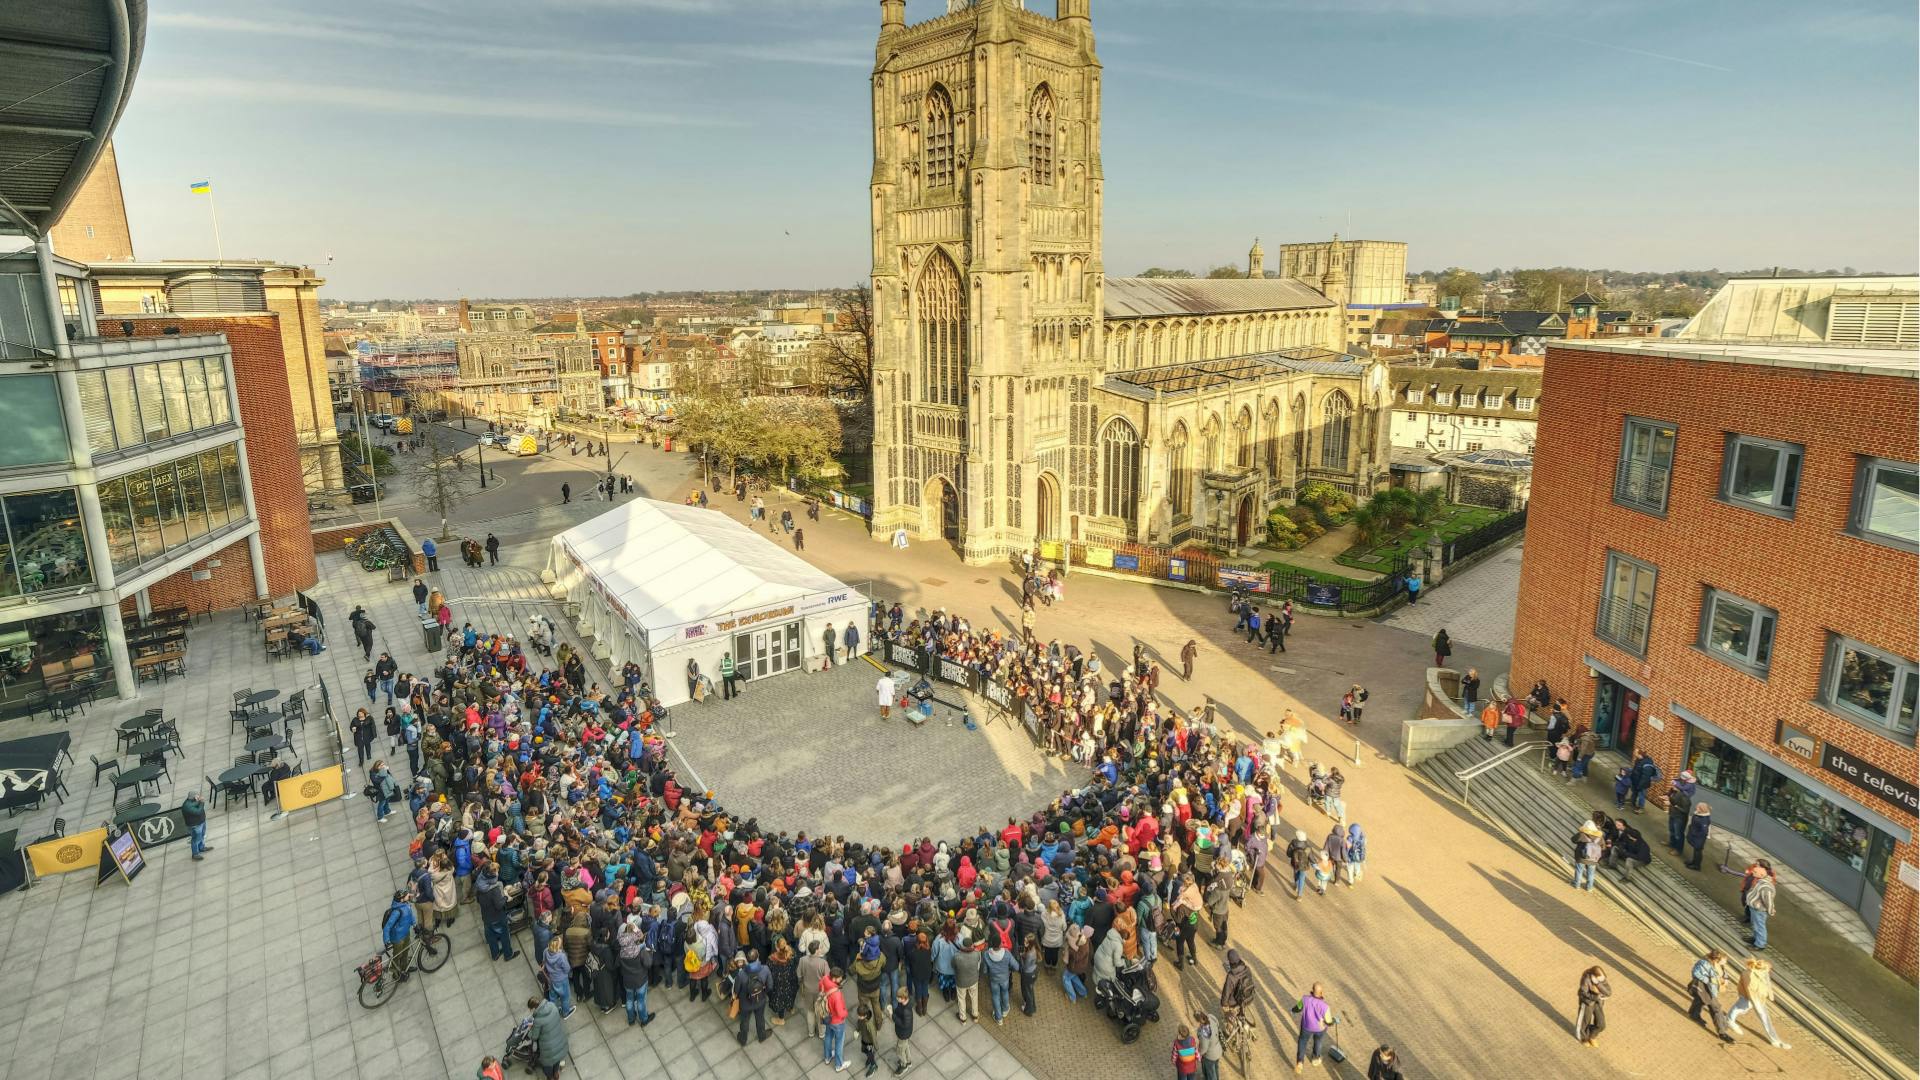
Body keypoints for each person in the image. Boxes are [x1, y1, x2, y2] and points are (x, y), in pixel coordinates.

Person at [1727, 957, 1790, 1049]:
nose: (1769, 972)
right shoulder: (1749, 975)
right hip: (1748, 997)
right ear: (1762, 969)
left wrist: (1770, 995)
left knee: (1765, 1018)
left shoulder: (1763, 974)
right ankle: (1729, 1020)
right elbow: (1750, 991)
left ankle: (1775, 1040)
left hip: (1759, 999)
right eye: (1768, 970)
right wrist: (1756, 1005)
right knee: (1739, 1009)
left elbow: (1767, 983)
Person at [1687, 950, 1737, 1042]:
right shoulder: (1704, 963)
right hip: (1705, 988)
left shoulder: (1720, 965)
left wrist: (1724, 980)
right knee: (1716, 1008)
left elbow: (1723, 975)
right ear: (1717, 959)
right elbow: (1696, 973)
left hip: (1710, 990)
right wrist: (1710, 980)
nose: (1726, 962)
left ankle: (1694, 1014)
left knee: (1700, 1000)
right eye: (1724, 960)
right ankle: (1722, 1032)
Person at [526, 994, 569, 1080]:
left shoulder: (538, 1020)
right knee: (557, 1059)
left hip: (548, 1048)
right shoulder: (552, 1006)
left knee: (547, 1065)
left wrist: (530, 1030)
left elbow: (534, 1036)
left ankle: (550, 1077)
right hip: (559, 1040)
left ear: (534, 1008)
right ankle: (556, 1074)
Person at [736, 949, 772, 1045]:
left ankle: (743, 1039)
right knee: (760, 1018)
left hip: (745, 1003)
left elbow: (736, 991)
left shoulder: (741, 974)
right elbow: (770, 986)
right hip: (760, 1000)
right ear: (757, 958)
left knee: (744, 1021)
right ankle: (762, 1036)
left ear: (747, 960)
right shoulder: (765, 969)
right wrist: (763, 993)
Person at [1293, 983, 1333, 1071]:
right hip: (1320, 1029)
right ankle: (1315, 1059)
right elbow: (1329, 1022)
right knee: (1318, 1041)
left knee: (1302, 1042)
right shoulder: (1325, 1006)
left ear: (1312, 990)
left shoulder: (1305, 999)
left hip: (1306, 1026)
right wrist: (1333, 1021)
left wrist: (1292, 1010)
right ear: (1321, 993)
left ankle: (1300, 1062)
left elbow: (1297, 1008)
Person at [381, 890, 416, 978]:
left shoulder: (406, 905)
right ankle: (396, 974)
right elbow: (387, 927)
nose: (408, 896)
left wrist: (415, 925)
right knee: (397, 956)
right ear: (401, 899)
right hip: (397, 939)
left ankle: (405, 968)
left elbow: (410, 916)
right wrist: (387, 941)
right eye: (407, 896)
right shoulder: (397, 912)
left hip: (406, 933)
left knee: (405, 952)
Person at [821, 968, 850, 1072]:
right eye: (839, 978)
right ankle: (839, 1064)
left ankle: (827, 1057)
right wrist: (846, 1012)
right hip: (837, 1021)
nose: (841, 979)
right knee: (839, 1043)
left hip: (828, 1017)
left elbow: (820, 988)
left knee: (828, 1036)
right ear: (834, 979)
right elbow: (840, 1013)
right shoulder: (836, 995)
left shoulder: (824, 978)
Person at [1745, 861, 1777, 950]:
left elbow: (1768, 901)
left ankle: (1760, 944)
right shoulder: (1760, 880)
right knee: (1755, 925)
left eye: (1755, 872)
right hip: (1754, 908)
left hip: (1759, 910)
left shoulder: (1766, 887)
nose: (1753, 873)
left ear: (1762, 874)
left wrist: (1771, 910)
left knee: (1759, 927)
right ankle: (1755, 938)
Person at [1575, 965, 1609, 1045]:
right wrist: (1596, 996)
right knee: (1584, 1021)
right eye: (1600, 977)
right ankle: (1583, 1038)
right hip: (1587, 1003)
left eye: (1602, 977)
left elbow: (1608, 992)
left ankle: (1592, 1035)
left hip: (1598, 1003)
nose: (1602, 979)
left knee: (1601, 1024)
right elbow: (1583, 993)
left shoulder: (1601, 979)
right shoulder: (1586, 980)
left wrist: (1598, 985)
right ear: (1594, 976)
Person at [1666, 771, 1699, 852]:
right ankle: (1672, 843)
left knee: (1678, 834)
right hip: (1673, 814)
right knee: (1672, 830)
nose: (1673, 787)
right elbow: (1672, 797)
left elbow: (1685, 810)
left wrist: (1676, 806)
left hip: (1679, 818)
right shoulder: (1677, 792)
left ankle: (1678, 849)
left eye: (1675, 787)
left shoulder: (1685, 798)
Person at [1571, 821, 1604, 891]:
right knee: (1591, 873)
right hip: (1593, 858)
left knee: (1579, 871)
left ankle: (1577, 885)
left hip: (1581, 857)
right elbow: (1603, 847)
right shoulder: (1599, 836)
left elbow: (1573, 840)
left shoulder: (1582, 834)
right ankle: (1589, 888)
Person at [890, 988, 915, 1075]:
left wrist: (892, 1016)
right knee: (906, 1046)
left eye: (898, 998)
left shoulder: (906, 1011)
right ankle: (908, 1061)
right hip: (905, 1033)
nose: (897, 999)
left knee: (899, 1051)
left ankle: (903, 1065)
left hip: (903, 1034)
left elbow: (904, 1024)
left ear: (904, 998)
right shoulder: (904, 1004)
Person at [1684, 802, 1713, 871]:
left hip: (1699, 838)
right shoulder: (1698, 814)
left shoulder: (1704, 819)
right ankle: (1693, 862)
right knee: (1696, 851)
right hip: (1696, 836)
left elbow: (1704, 831)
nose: (1696, 808)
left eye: (1698, 807)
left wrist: (1695, 834)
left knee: (1698, 851)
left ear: (1702, 809)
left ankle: (1696, 866)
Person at [182, 791, 210, 861]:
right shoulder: (187, 806)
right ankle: (195, 854)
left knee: (202, 836)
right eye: (197, 796)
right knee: (196, 839)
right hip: (195, 825)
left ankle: (201, 847)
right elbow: (198, 811)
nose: (198, 796)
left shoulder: (193, 801)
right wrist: (202, 802)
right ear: (194, 797)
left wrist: (199, 801)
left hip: (201, 822)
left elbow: (196, 804)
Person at [1195, 1011, 1222, 1080]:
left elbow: (1204, 1048)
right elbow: (1217, 1024)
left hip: (1210, 1055)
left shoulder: (1205, 1033)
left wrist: (1199, 1053)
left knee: (1211, 1074)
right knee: (1215, 1068)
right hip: (1218, 1049)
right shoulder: (1211, 1017)